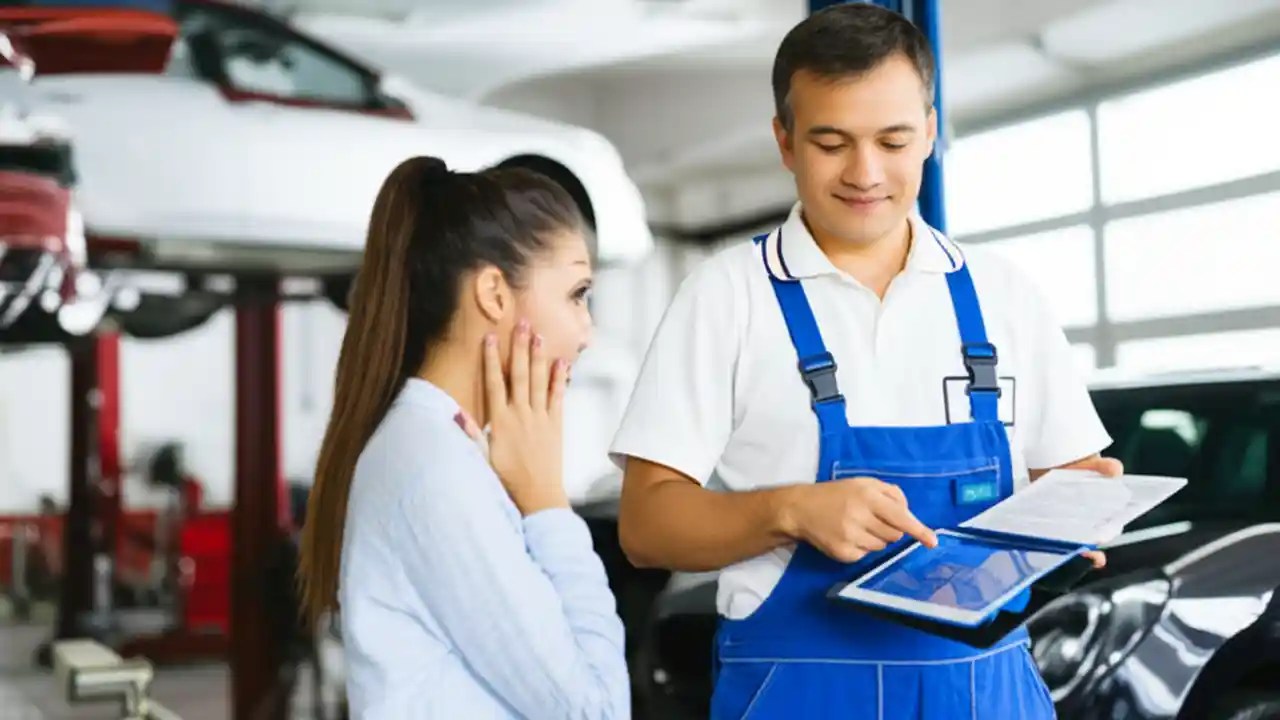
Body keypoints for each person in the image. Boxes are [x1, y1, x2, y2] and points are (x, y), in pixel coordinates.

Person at [609, 5, 1122, 718]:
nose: (866, 172)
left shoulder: (1005, 295)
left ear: (931, 133)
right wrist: (789, 510)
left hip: (986, 693)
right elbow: (645, 527)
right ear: (785, 142)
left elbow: (1062, 475)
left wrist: (1078, 506)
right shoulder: (727, 296)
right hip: (802, 692)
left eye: (893, 139)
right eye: (831, 142)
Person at [298, 156, 630, 719]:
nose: (587, 333)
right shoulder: (433, 467)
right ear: (495, 295)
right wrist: (548, 507)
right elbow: (595, 711)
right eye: (577, 294)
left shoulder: (441, 450)